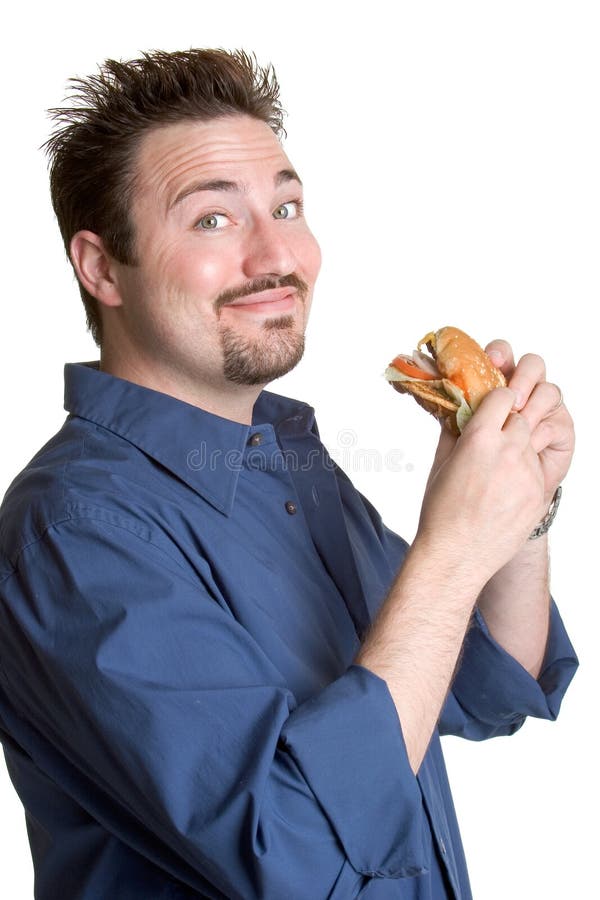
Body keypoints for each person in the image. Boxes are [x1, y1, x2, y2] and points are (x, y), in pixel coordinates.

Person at [0, 48, 577, 899]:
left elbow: (480, 688)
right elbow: (296, 857)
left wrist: (519, 510)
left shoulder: (284, 461)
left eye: (287, 204)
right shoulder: (77, 531)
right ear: (99, 267)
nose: (279, 255)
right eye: (212, 220)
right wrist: (452, 550)